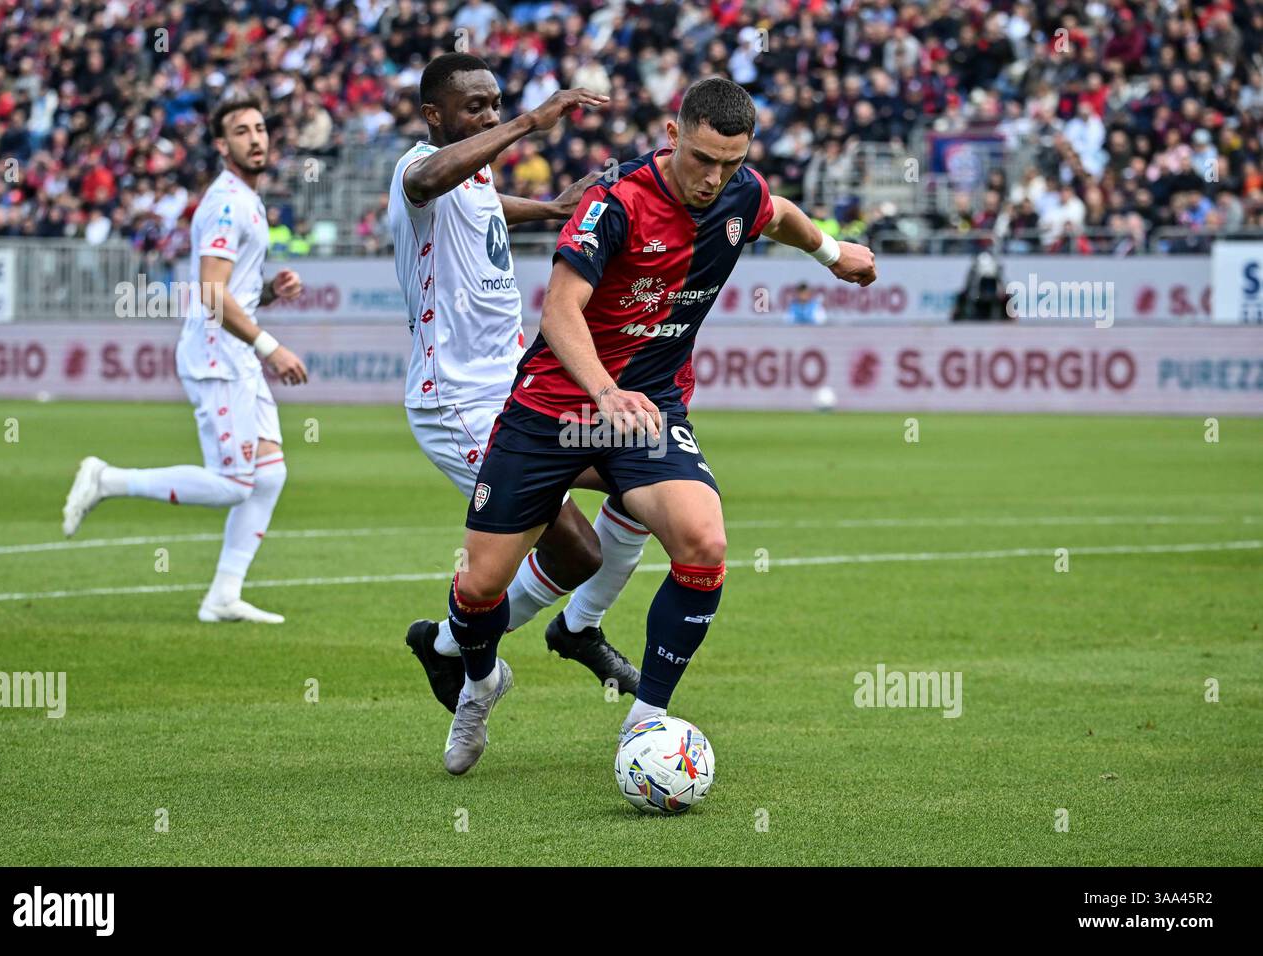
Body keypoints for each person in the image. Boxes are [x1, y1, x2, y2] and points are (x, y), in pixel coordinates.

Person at [420, 76, 876, 775]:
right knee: (480, 586)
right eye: (701, 159)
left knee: (703, 541)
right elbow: (559, 313)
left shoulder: (739, 193)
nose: (713, 178)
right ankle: (480, 686)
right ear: (672, 135)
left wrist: (832, 252)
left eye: (729, 162)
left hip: (649, 409)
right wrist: (602, 390)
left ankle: (646, 720)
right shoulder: (615, 200)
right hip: (553, 407)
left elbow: (777, 211)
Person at [389, 53, 643, 716]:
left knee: (646, 483)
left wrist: (553, 208)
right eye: (474, 106)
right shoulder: (415, 170)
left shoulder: (474, 179)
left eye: (497, 103)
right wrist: (530, 122)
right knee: (575, 550)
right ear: (433, 115)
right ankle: (465, 645)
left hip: (515, 389)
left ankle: (454, 642)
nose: (490, 114)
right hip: (458, 401)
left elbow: (482, 201)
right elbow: (433, 179)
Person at [60, 96, 309, 623]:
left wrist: (267, 292)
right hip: (218, 358)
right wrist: (271, 346)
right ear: (222, 146)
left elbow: (232, 292)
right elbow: (212, 295)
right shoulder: (226, 202)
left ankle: (223, 594)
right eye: (241, 131)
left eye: (260, 128)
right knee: (235, 482)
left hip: (236, 355)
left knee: (269, 475)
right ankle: (107, 479)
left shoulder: (249, 200)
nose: (256, 138)